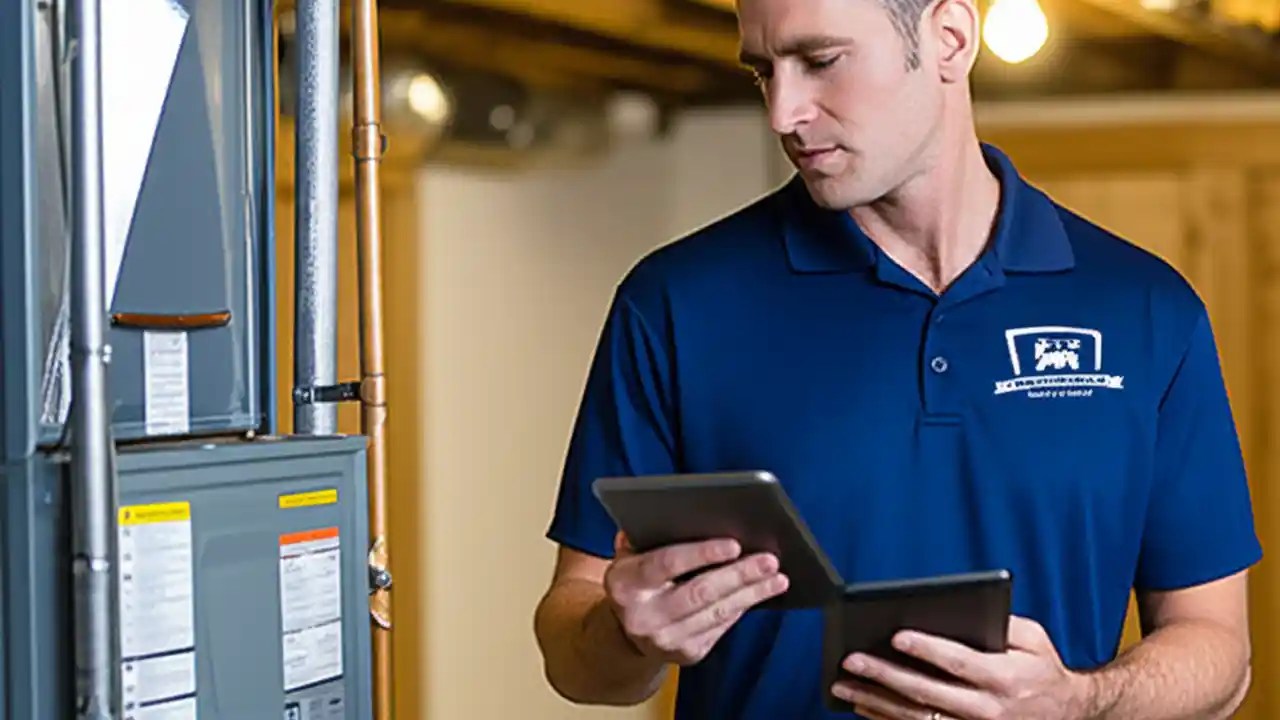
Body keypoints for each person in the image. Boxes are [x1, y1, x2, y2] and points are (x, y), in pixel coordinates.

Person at [532, 0, 1262, 717]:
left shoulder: (1146, 308)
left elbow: (1219, 653)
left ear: (949, 38)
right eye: (763, 71)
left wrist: (1079, 702)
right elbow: (572, 646)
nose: (783, 112)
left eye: (821, 61)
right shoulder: (676, 302)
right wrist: (628, 635)